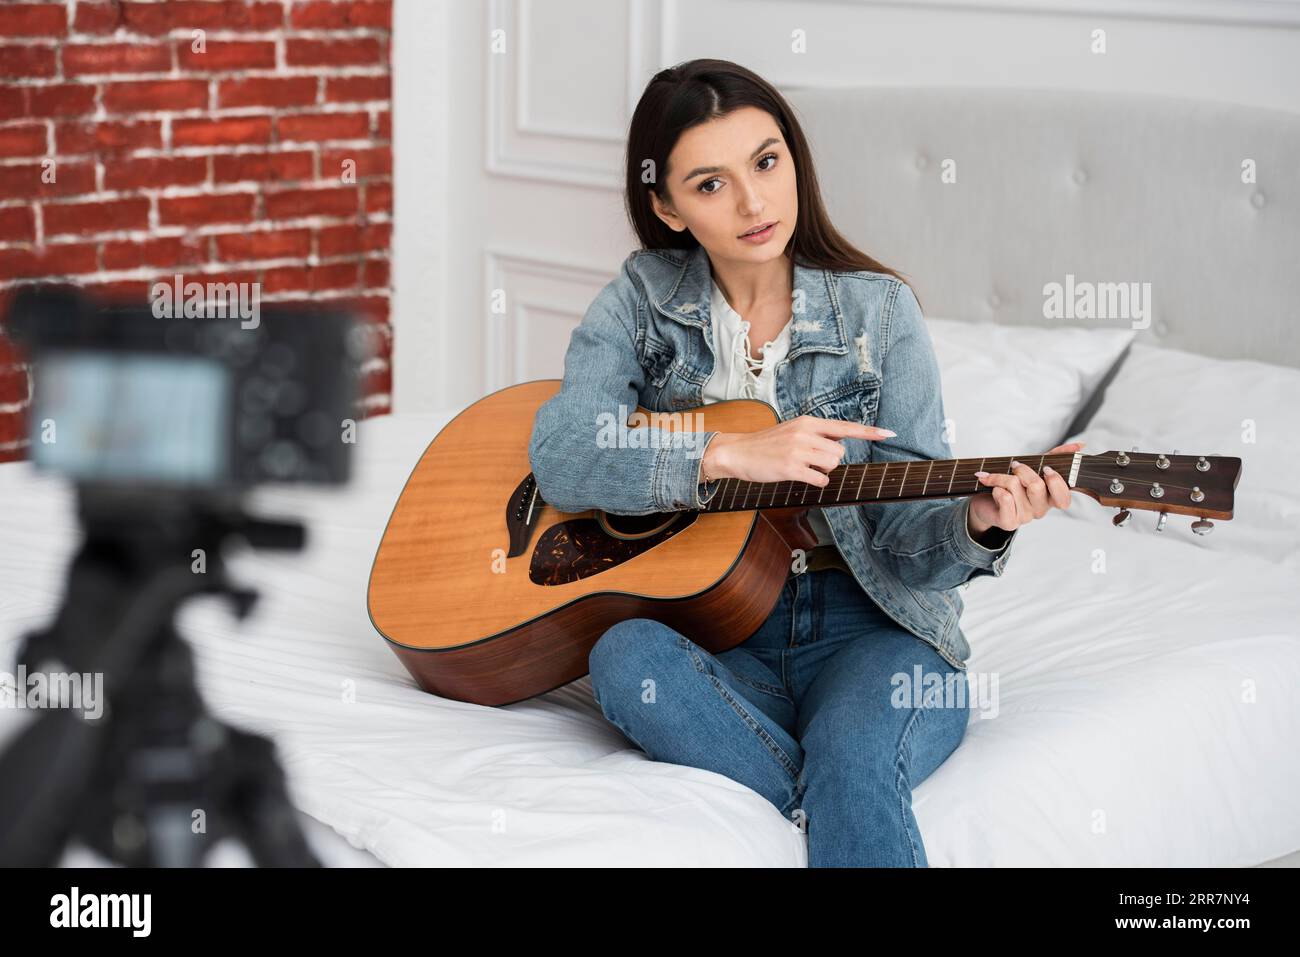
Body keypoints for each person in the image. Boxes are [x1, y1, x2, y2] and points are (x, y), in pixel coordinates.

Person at [527, 59, 1080, 867]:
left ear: (794, 158)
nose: (754, 202)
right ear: (665, 205)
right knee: (621, 656)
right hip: (712, 630)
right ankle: (815, 780)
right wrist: (722, 452)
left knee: (857, 761)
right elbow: (565, 449)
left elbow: (910, 542)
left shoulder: (878, 312)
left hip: (872, 628)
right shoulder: (642, 299)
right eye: (709, 184)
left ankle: (824, 771)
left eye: (766, 161)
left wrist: (980, 521)